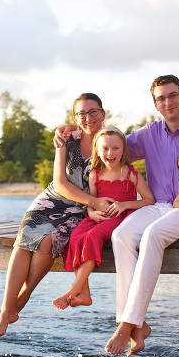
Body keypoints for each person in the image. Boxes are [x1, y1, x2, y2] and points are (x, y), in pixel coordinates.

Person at [56, 75, 179, 355]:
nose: (167, 102)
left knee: (153, 236)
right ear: (155, 103)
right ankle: (137, 325)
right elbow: (108, 146)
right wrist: (73, 130)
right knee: (121, 235)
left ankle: (126, 323)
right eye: (161, 98)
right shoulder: (148, 134)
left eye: (172, 95)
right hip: (155, 206)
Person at [0, 93, 116, 338]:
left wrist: (94, 204)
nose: (87, 118)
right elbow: (59, 182)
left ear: (103, 113)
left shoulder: (110, 143)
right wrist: (93, 200)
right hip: (53, 199)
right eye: (81, 113)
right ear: (74, 116)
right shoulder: (67, 139)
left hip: (82, 210)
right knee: (26, 236)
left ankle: (23, 296)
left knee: (48, 240)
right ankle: (7, 308)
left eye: (93, 112)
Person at [53, 127, 154, 310]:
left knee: (93, 237)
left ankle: (72, 290)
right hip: (98, 217)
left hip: (122, 217)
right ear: (97, 152)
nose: (110, 153)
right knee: (75, 237)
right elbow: (92, 201)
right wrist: (91, 213)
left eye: (115, 148)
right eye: (105, 149)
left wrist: (125, 205)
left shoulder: (130, 173)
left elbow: (149, 200)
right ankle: (85, 293)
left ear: (123, 149)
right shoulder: (95, 174)